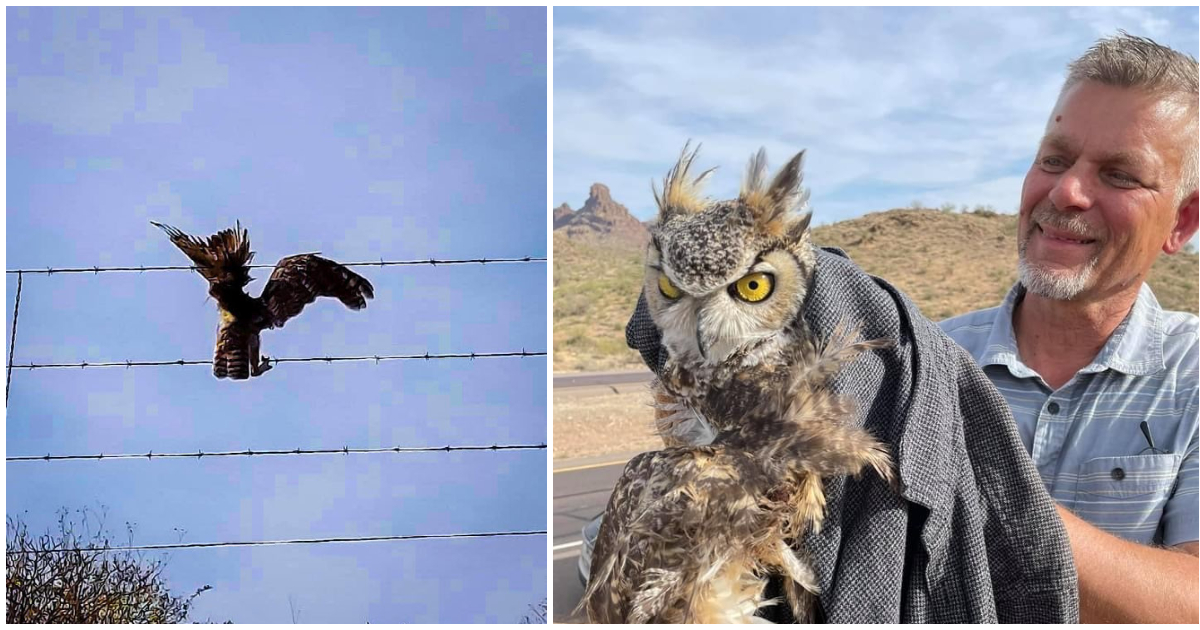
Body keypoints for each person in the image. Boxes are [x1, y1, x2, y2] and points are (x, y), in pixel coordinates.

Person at [940, 32, 1198, 623]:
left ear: (1181, 222)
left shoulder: (1193, 376)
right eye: (1054, 160)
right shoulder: (923, 358)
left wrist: (994, 491)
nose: (1067, 191)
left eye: (1121, 174)